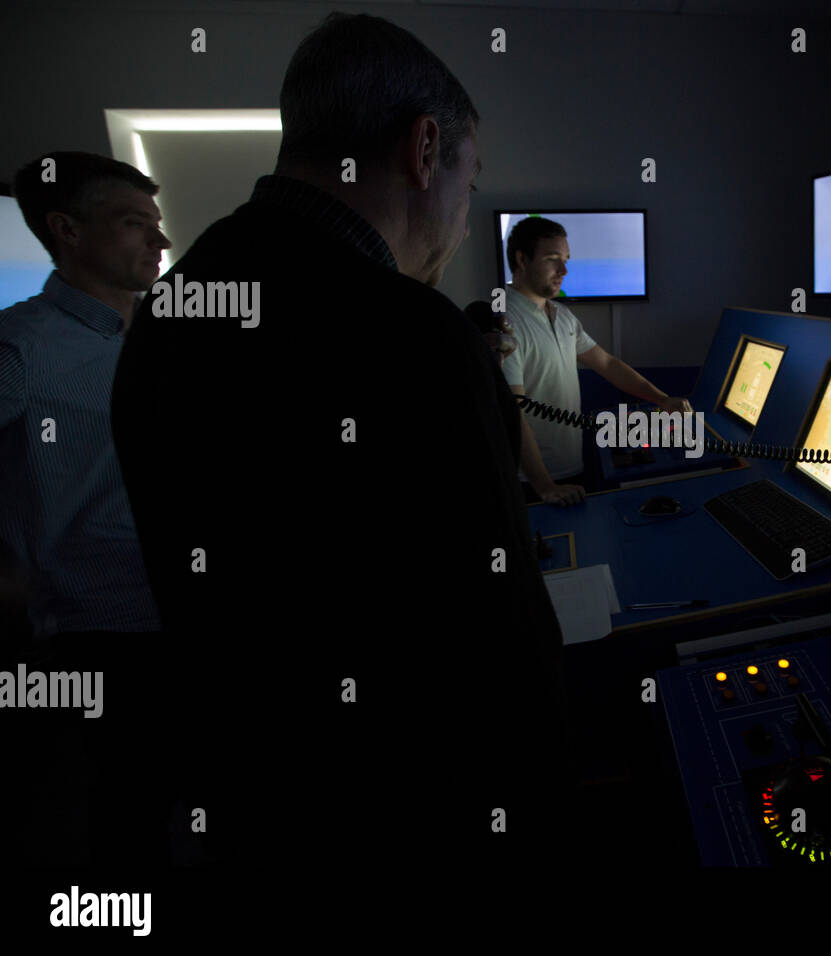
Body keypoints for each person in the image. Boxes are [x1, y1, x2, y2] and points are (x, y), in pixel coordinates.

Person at [111, 12, 568, 873]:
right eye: (470, 188)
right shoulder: (414, 334)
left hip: (255, 801)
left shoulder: (173, 304)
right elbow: (504, 645)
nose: (465, 225)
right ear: (424, 149)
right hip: (412, 817)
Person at [0, 151, 171, 865]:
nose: (159, 244)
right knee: (108, 826)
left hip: (177, 614)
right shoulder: (19, 347)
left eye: (156, 226)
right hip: (90, 636)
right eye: (135, 224)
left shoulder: (165, 335)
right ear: (67, 230)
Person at [501, 217, 693, 505]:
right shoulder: (504, 322)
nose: (564, 270)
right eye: (553, 259)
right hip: (533, 482)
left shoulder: (561, 314)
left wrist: (661, 399)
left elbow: (607, 364)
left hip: (570, 469)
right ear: (521, 259)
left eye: (566, 259)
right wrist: (545, 487)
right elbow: (512, 412)